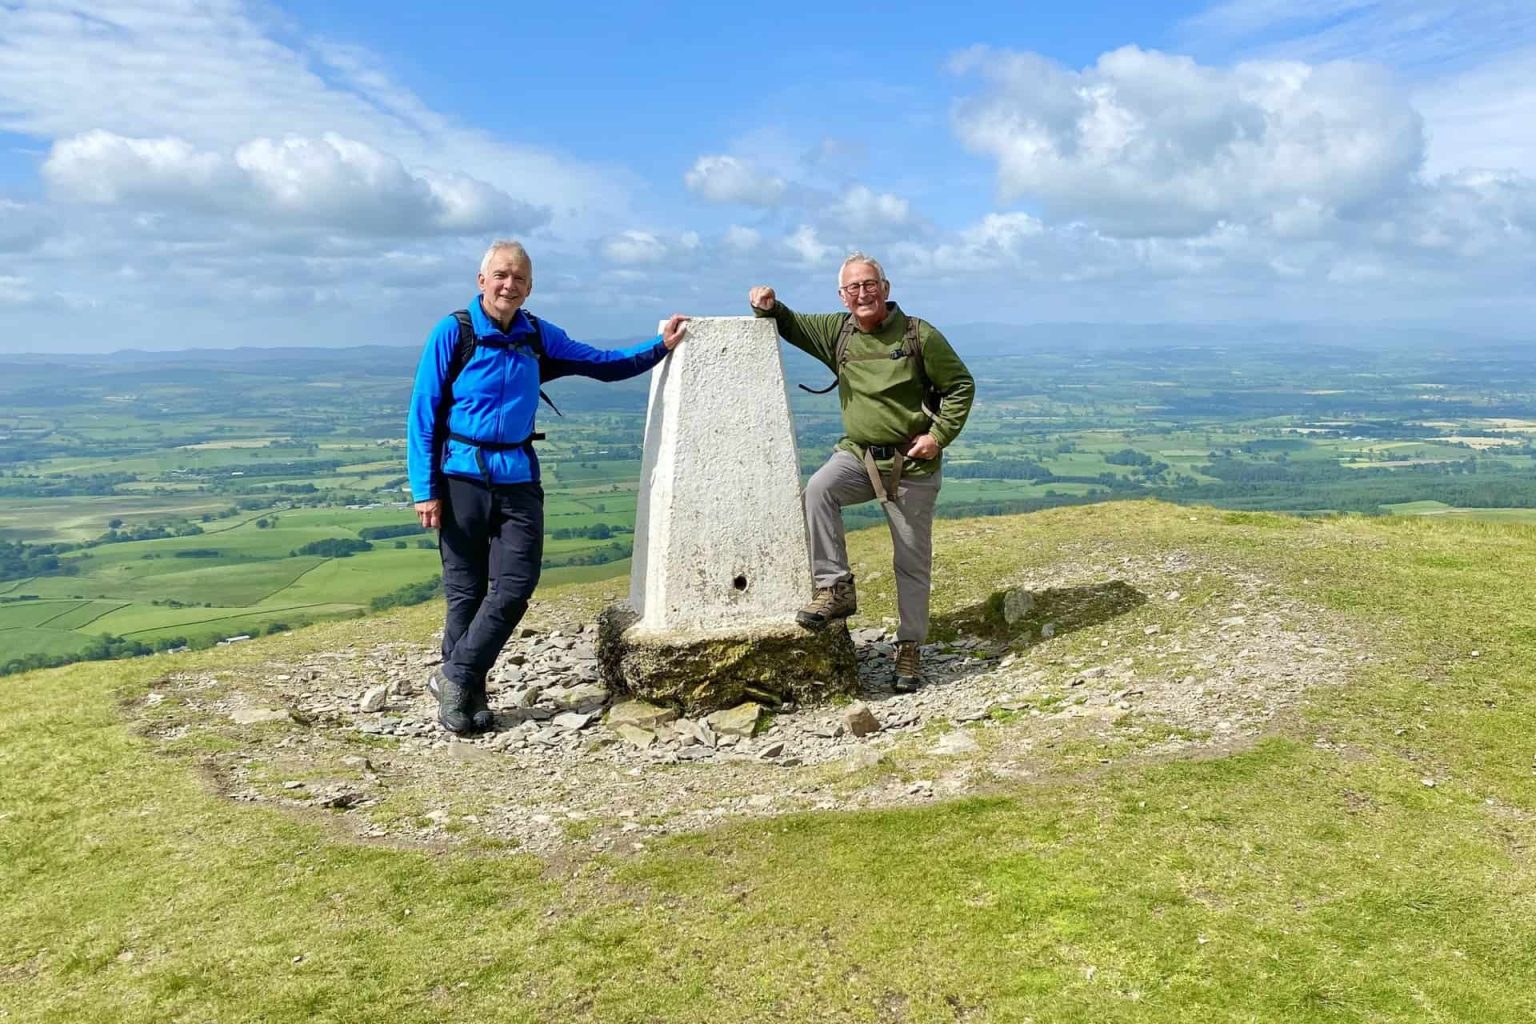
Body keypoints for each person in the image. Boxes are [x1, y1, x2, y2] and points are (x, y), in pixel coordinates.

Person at [408, 239, 688, 733]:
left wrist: (659, 346)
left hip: (517, 478)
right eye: (499, 275)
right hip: (458, 478)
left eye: (518, 278)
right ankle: (464, 696)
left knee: (514, 587)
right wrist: (424, 489)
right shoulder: (454, 332)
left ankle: (454, 674)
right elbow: (423, 413)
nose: (507, 284)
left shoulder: (537, 335)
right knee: (465, 592)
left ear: (529, 287)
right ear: (481, 281)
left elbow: (602, 363)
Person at [749, 252, 974, 692]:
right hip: (859, 457)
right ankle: (835, 588)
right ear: (842, 295)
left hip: (912, 463)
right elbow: (790, 323)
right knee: (818, 489)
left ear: (886, 289)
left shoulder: (918, 335)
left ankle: (909, 648)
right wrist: (767, 305)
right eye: (853, 287)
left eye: (870, 284)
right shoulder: (839, 330)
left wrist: (938, 437)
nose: (863, 293)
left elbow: (960, 385)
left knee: (910, 561)